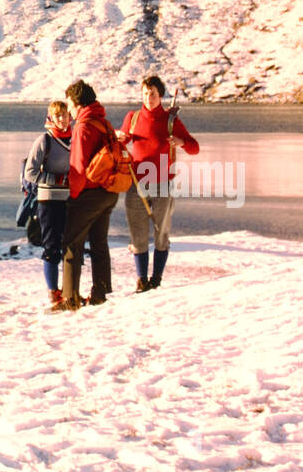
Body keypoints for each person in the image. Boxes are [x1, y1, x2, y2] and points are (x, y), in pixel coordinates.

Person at [117, 75, 199, 292]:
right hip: (137, 184)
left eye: (152, 93)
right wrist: (118, 138)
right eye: (145, 93)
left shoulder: (170, 121)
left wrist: (181, 142)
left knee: (161, 233)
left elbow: (194, 147)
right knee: (138, 233)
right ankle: (141, 279)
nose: (148, 97)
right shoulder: (133, 118)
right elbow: (123, 140)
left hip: (163, 184)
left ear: (160, 95)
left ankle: (157, 278)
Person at [55, 80, 118, 312]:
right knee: (99, 243)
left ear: (78, 103)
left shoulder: (82, 127)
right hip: (109, 192)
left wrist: (73, 195)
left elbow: (78, 167)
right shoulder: (104, 122)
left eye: (70, 104)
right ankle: (100, 292)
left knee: (72, 244)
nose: (69, 110)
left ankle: (69, 298)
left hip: (89, 194)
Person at [21, 101, 72, 310]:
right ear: (51, 117)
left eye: (65, 115)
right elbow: (30, 172)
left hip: (70, 200)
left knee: (70, 245)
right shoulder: (45, 140)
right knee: (51, 247)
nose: (62, 119)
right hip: (49, 201)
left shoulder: (75, 139)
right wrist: (56, 180)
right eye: (57, 116)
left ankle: (69, 290)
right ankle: (53, 292)